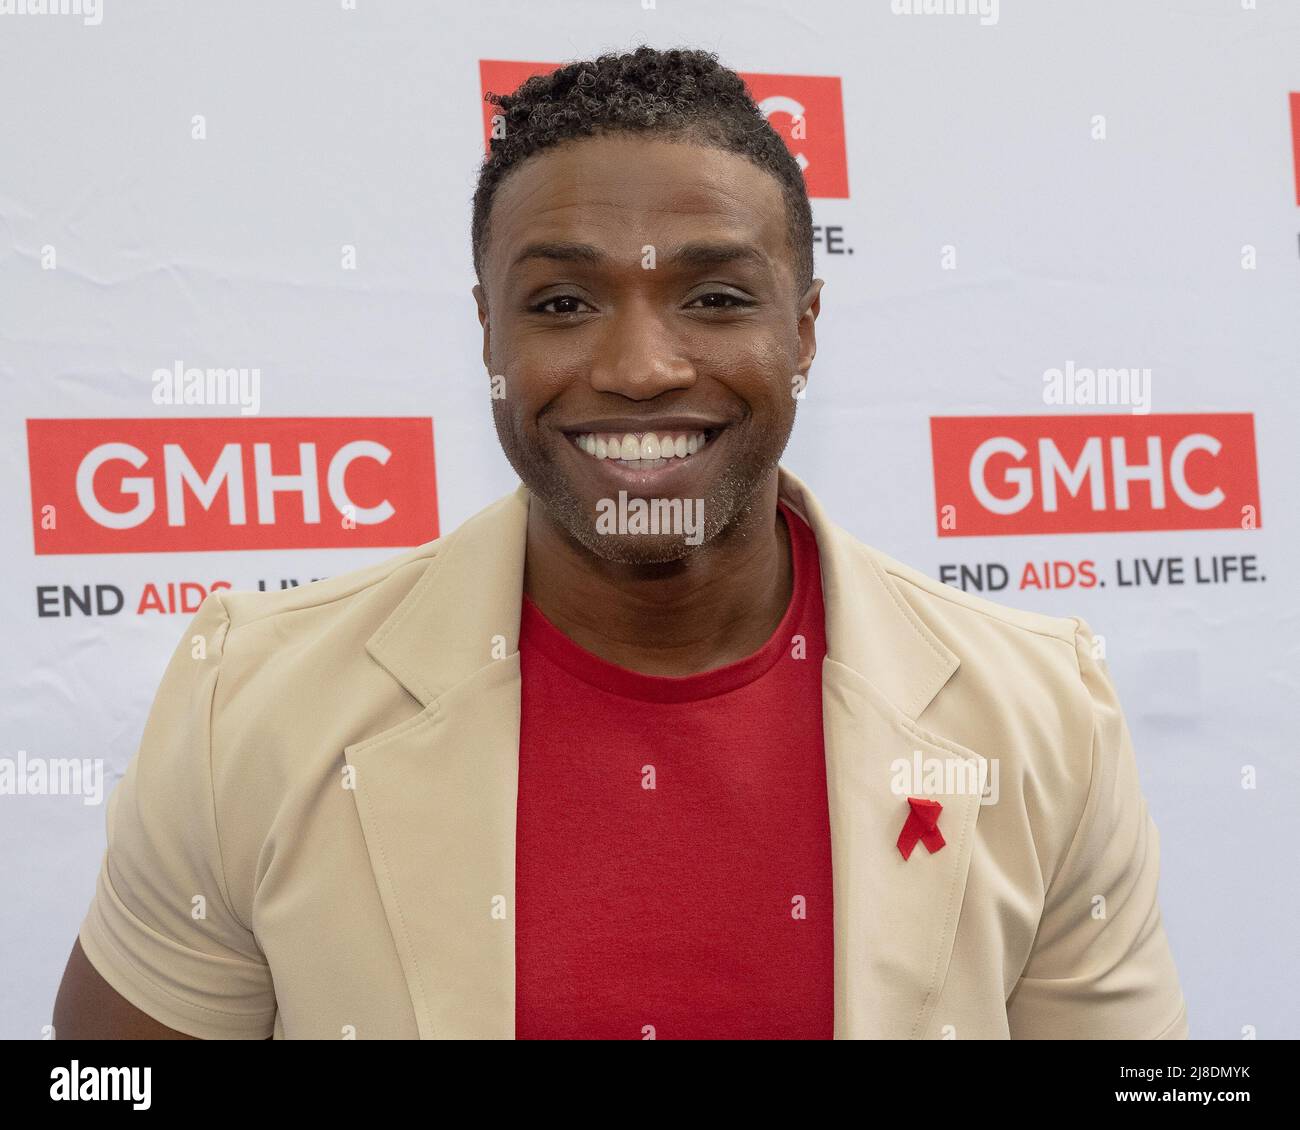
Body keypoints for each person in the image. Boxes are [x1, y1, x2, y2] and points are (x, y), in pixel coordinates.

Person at [54, 45, 1187, 1039]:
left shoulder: (1039, 709)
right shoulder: (251, 697)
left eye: (715, 297)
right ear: (485, 328)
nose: (641, 366)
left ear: (804, 328)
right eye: (559, 304)